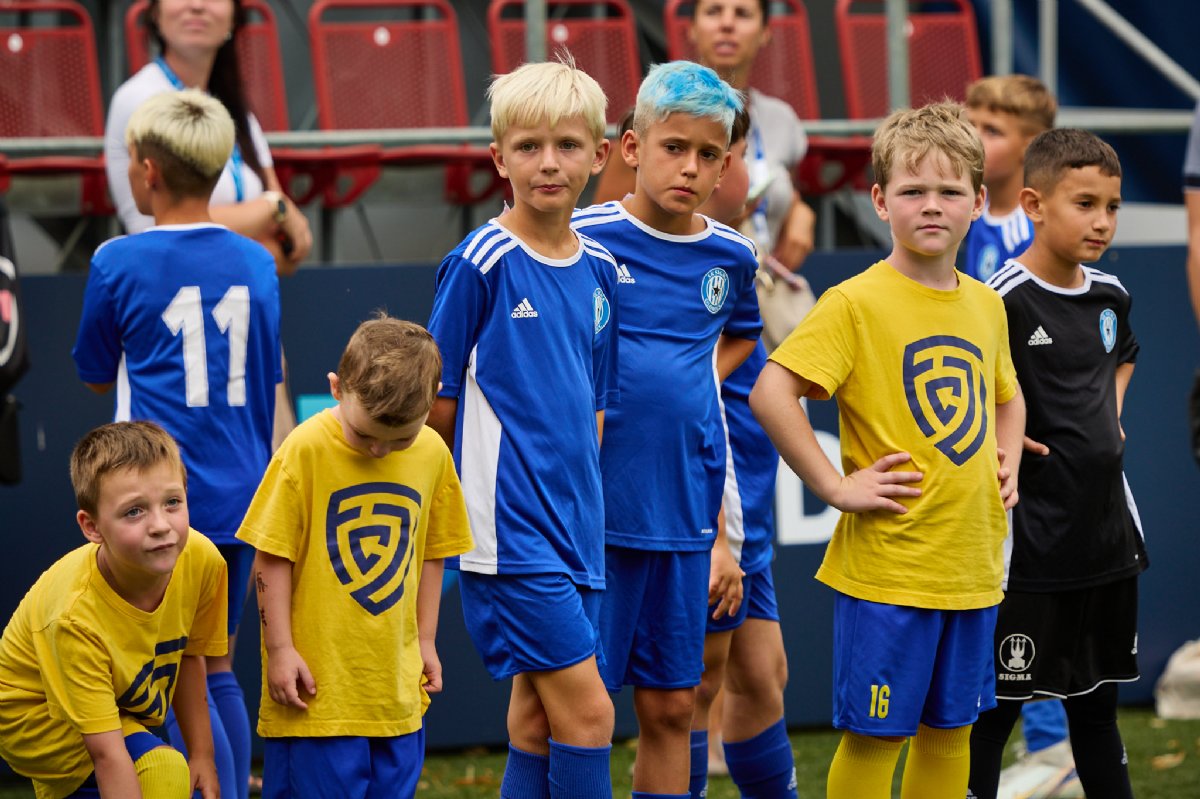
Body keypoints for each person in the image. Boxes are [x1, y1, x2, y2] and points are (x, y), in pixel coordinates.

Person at [750, 101, 1026, 799]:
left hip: (972, 564)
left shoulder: (987, 304)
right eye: (912, 190)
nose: (931, 206)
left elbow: (1007, 395)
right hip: (890, 571)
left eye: (949, 191)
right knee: (876, 738)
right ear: (879, 200)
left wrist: (1009, 453)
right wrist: (835, 487)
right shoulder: (854, 302)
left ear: (977, 200)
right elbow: (771, 392)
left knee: (952, 730)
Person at [73, 89, 281, 799]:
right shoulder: (257, 262)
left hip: (153, 500)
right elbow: (264, 377)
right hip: (240, 492)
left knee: (162, 668)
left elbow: (96, 375)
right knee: (215, 664)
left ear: (148, 171)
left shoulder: (115, 260)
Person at [425, 58, 620, 799]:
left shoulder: (600, 266)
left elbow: (594, 403)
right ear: (498, 156)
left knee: (539, 721)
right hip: (509, 534)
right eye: (529, 146)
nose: (549, 162)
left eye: (568, 145)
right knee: (591, 713)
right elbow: (435, 406)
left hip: (578, 525)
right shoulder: (481, 263)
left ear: (599, 156)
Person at [572, 61, 760, 799]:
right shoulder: (581, 237)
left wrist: (692, 378)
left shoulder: (731, 257)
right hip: (590, 516)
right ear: (630, 147)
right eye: (674, 147)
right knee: (562, 708)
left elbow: (740, 333)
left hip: (684, 512)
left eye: (709, 154)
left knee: (673, 704)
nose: (690, 167)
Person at [968, 129, 1146, 799]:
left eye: (1112, 206)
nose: (1101, 220)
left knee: (1097, 712)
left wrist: (1111, 416)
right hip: (1028, 551)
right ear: (1035, 204)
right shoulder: (999, 298)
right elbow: (968, 388)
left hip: (1106, 541)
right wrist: (996, 437)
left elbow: (1124, 352)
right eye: (1084, 203)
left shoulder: (1111, 294)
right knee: (994, 715)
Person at [237, 315, 473, 798]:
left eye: (400, 438)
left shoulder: (432, 453)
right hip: (314, 701)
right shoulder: (303, 449)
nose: (381, 450)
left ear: (433, 404)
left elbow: (433, 552)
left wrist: (425, 641)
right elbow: (270, 557)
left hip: (395, 696)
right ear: (336, 388)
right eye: (365, 435)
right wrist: (280, 650)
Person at [0, 420, 228, 799]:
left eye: (172, 502)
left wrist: (202, 755)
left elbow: (190, 656)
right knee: (160, 769)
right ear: (92, 527)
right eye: (134, 512)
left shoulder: (202, 561)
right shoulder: (74, 616)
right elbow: (107, 754)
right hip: (33, 717)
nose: (160, 525)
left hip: (108, 705)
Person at [688, 108, 798, 799]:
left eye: (732, 152)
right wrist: (714, 534)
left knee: (763, 674)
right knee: (696, 685)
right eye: (725, 155)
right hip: (704, 512)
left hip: (745, 510)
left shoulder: (734, 255)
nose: (745, 174)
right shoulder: (648, 257)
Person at [104, 0, 311, 275]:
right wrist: (270, 209)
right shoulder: (139, 100)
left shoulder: (237, 110)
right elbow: (167, 232)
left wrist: (272, 210)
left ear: (235, 17)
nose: (197, 5)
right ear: (155, 13)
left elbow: (289, 246)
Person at [962, 75, 1057, 282]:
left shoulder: (1033, 232)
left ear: (1031, 146)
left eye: (992, 131)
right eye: (970, 126)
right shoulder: (973, 206)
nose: (972, 140)